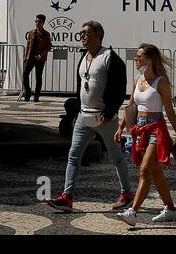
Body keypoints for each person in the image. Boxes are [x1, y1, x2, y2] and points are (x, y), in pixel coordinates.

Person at [46, 21, 131, 213]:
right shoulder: (83, 57)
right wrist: (77, 111)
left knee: (116, 156)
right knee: (73, 156)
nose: (82, 36)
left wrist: (110, 112)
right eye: (81, 33)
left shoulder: (110, 57)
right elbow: (81, 87)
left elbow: (119, 88)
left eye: (86, 33)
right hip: (84, 117)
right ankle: (67, 197)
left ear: (98, 34)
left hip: (104, 118)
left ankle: (126, 193)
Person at [115, 44, 176, 227]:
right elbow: (131, 107)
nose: (135, 59)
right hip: (141, 130)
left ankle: (132, 212)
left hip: (156, 130)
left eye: (139, 56)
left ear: (150, 59)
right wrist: (121, 127)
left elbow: (170, 111)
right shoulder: (138, 80)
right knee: (156, 173)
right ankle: (170, 209)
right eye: (136, 56)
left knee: (145, 170)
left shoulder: (161, 83)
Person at [21, 14, 51, 101]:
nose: (37, 23)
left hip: (40, 59)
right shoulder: (31, 32)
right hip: (30, 57)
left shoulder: (46, 34)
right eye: (36, 21)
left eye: (39, 22)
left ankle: (36, 95)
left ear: (43, 23)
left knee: (38, 77)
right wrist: (26, 56)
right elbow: (27, 45)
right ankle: (28, 92)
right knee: (25, 74)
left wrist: (41, 55)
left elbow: (48, 47)